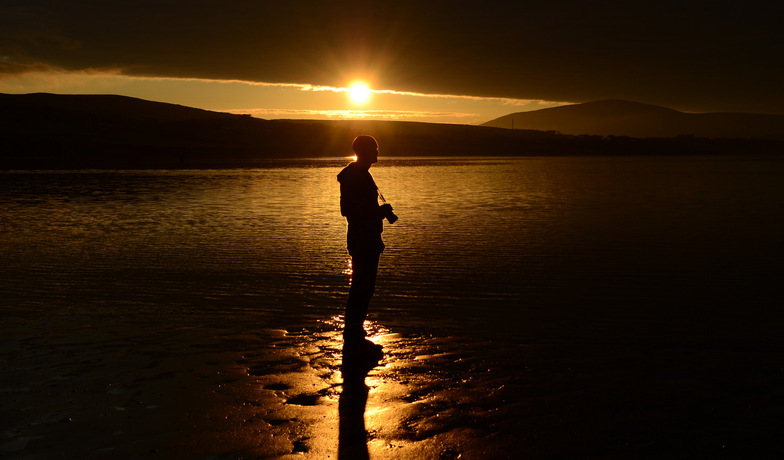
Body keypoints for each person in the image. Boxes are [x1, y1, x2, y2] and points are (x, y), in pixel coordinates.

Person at [337, 135, 395, 357]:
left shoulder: (361, 174)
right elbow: (348, 210)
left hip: (368, 237)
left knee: (365, 285)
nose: (378, 152)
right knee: (362, 285)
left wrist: (379, 212)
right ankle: (352, 331)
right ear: (364, 151)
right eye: (375, 148)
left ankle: (354, 331)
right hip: (362, 238)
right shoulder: (354, 176)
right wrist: (379, 212)